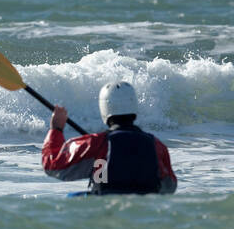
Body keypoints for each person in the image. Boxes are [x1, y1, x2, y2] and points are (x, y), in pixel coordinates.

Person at [42, 81, 177, 194]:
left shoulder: (95, 144)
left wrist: (56, 129)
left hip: (107, 212)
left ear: (105, 107)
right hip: (144, 214)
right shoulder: (156, 145)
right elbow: (170, 186)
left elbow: (52, 166)